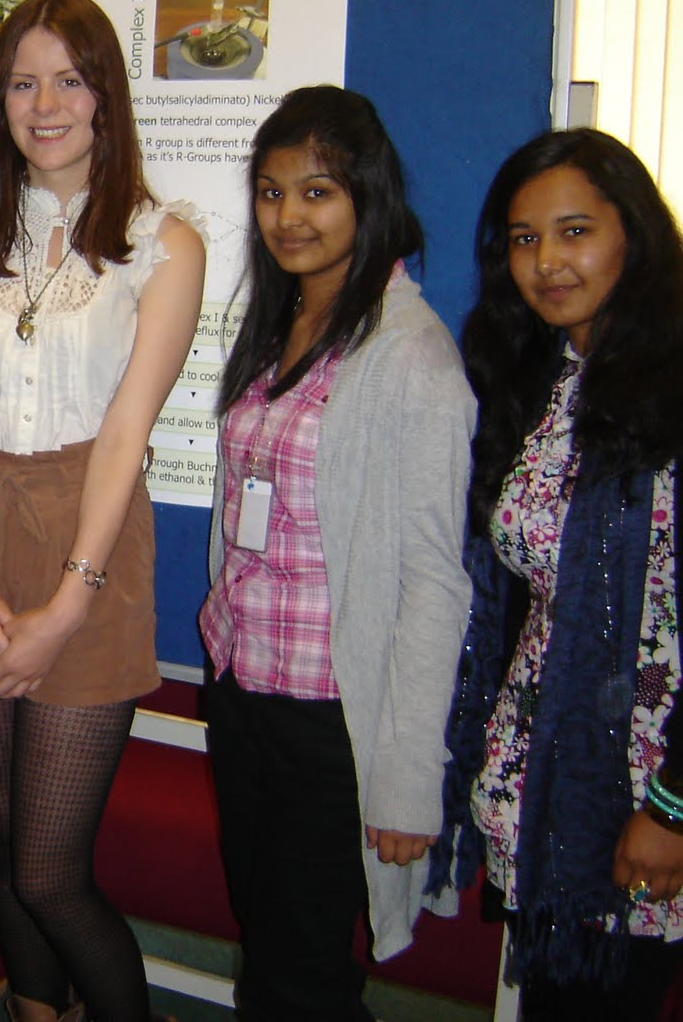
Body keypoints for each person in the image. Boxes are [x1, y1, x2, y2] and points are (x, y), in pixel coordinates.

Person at [0, 0, 204, 1022]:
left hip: (93, 540)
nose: (44, 103)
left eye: (68, 80)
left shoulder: (163, 244)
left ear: (105, 97)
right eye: (21, 83)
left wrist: (69, 604)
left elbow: (125, 434)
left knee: (46, 869)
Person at [197, 85, 473, 1021]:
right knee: (269, 940)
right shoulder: (284, 320)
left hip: (330, 720)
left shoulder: (411, 356)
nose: (288, 216)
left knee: (304, 970)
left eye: (316, 192)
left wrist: (404, 779)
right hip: (244, 686)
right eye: (270, 192)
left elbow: (437, 582)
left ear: (367, 194)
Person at [431, 129, 683, 1020]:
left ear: (635, 233)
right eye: (525, 239)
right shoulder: (542, 378)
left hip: (644, 784)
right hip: (545, 783)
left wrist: (671, 806)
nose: (548, 262)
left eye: (575, 231)